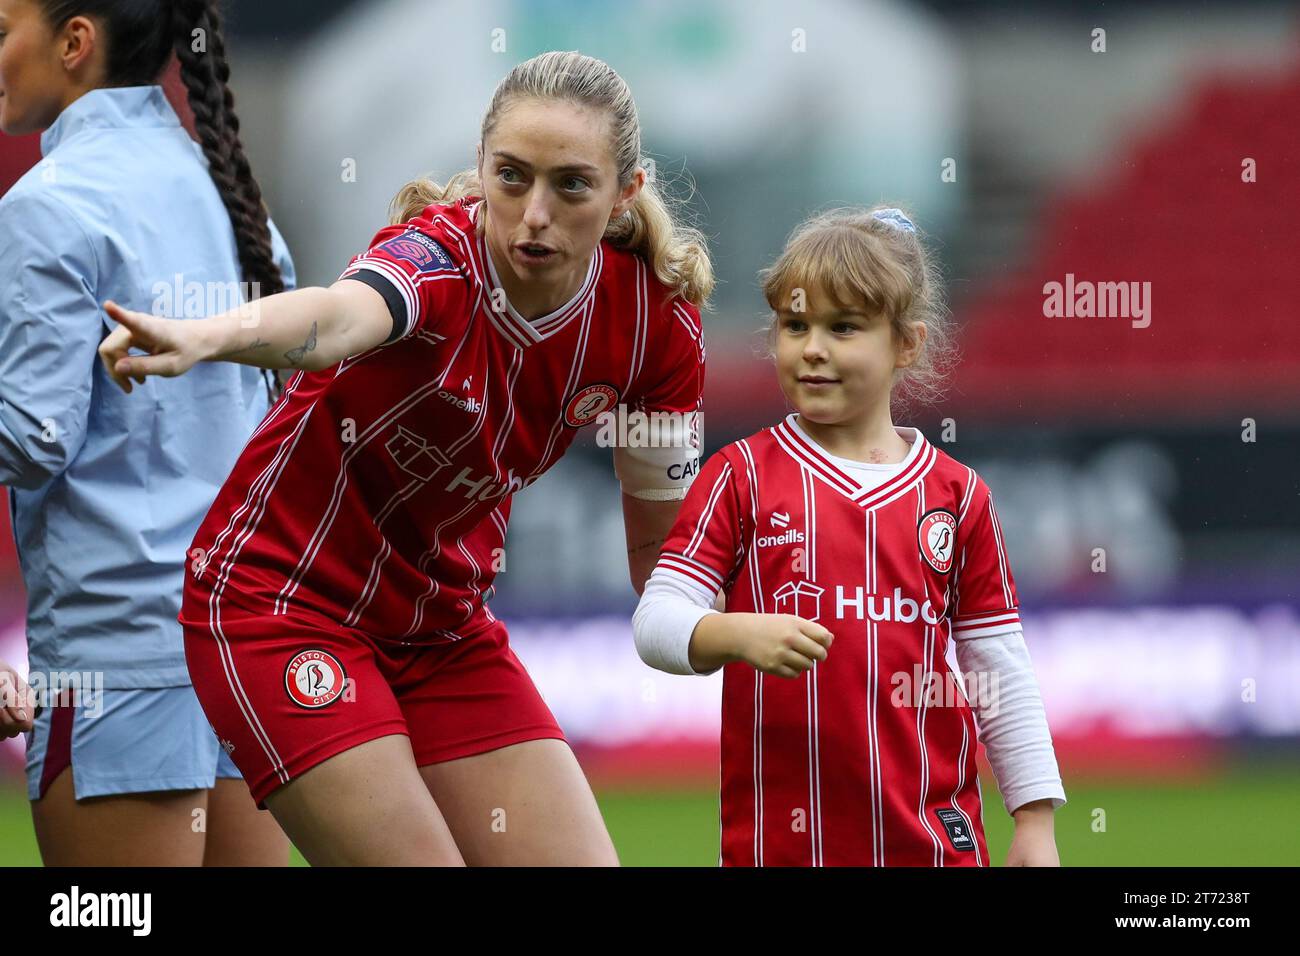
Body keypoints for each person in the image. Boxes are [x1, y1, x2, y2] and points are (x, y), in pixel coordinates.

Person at [96, 50, 713, 866]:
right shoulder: (435, 260)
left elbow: (659, 562)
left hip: (441, 629)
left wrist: (778, 612)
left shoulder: (657, 326)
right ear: (482, 168)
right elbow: (335, 318)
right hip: (282, 605)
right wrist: (205, 336)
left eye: (570, 185)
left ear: (624, 193)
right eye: (512, 176)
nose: (533, 213)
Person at [633, 206, 1066, 866]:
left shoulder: (958, 497)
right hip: (778, 849)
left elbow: (997, 671)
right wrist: (739, 632)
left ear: (907, 344)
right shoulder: (740, 475)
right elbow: (656, 622)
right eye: (795, 324)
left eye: (843, 328)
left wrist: (1034, 824)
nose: (812, 347)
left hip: (936, 847)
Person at [0, 0, 294, 864]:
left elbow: (32, 436)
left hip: (118, 669)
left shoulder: (45, 206)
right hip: (246, 657)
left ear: (75, 42)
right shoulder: (229, 191)